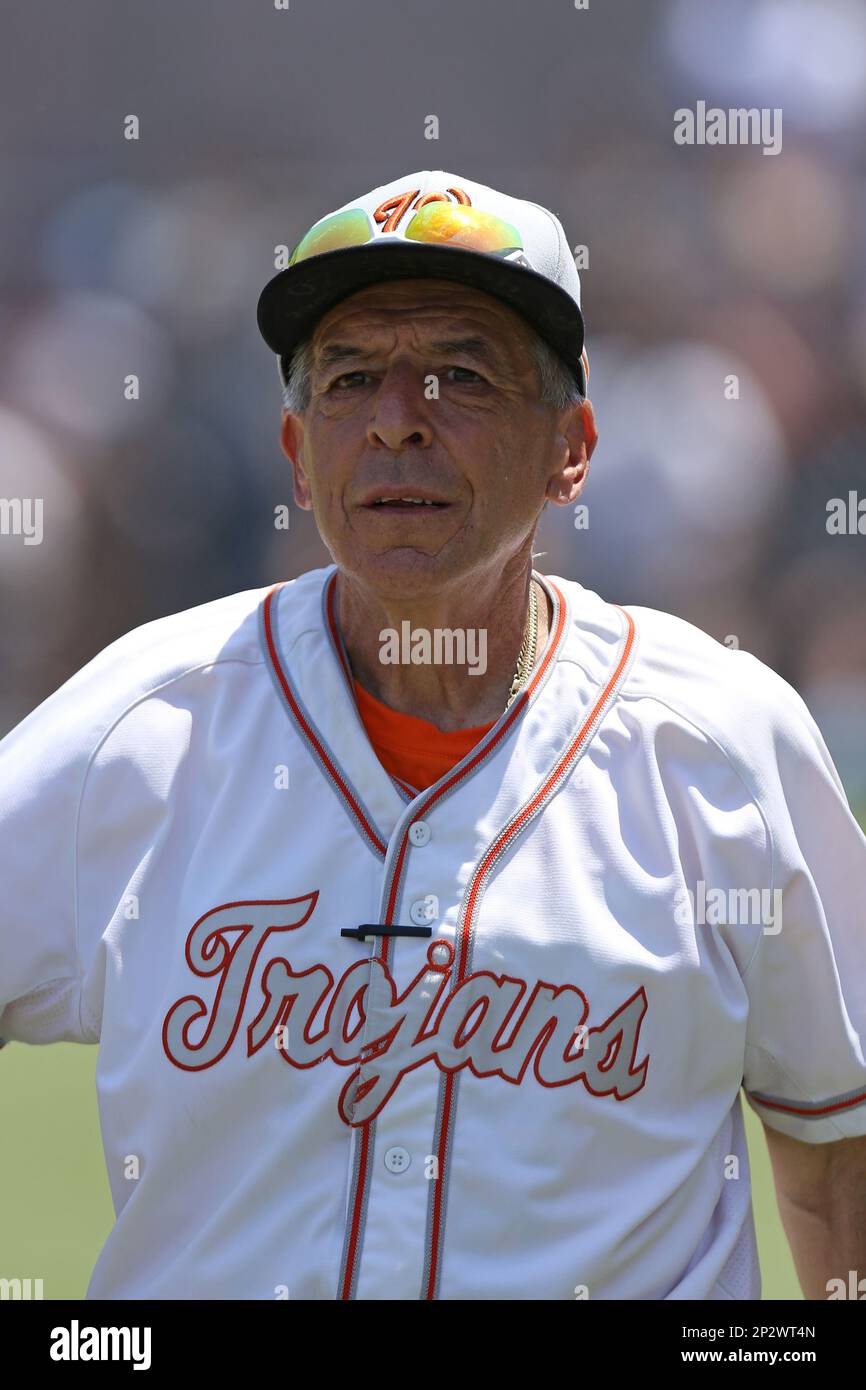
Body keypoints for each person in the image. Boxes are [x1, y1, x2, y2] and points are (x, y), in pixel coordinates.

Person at [1, 170, 864, 1301]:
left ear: (570, 448)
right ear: (296, 453)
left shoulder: (718, 745)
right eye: (350, 378)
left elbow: (839, 1157)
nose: (396, 418)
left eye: (461, 375)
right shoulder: (144, 725)